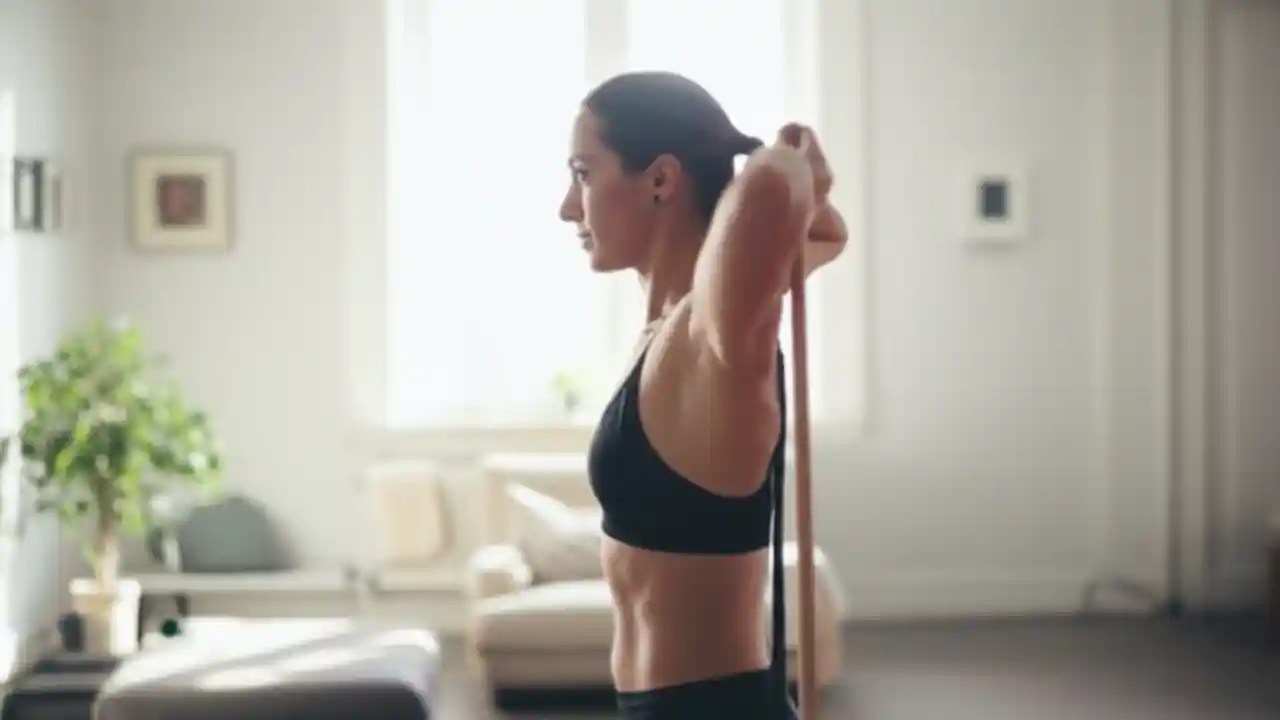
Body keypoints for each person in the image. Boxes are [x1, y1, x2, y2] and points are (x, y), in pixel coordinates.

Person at [558, 71, 848, 719]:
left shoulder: (715, 337)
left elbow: (774, 187)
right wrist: (806, 189)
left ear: (661, 179)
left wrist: (784, 158)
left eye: (582, 172)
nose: (568, 207)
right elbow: (825, 234)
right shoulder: (676, 330)